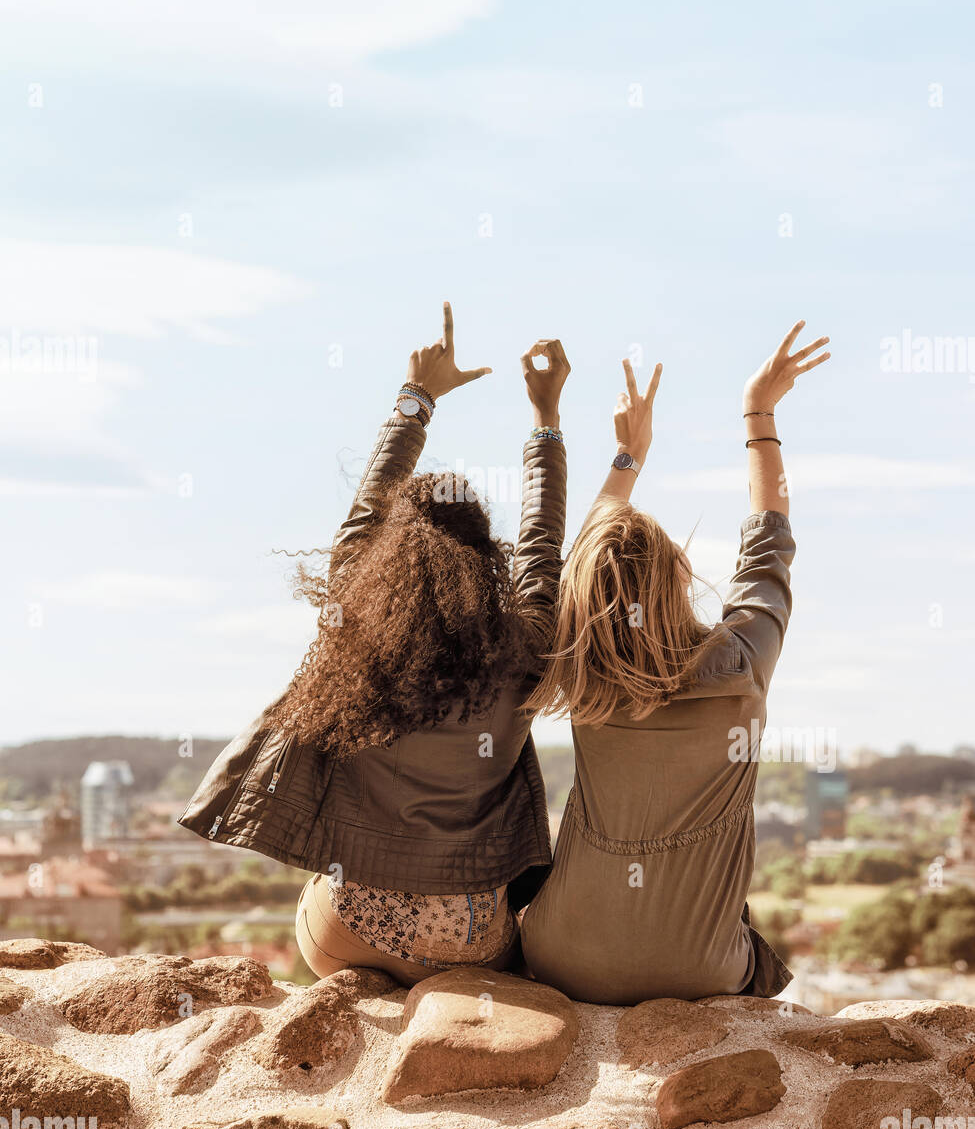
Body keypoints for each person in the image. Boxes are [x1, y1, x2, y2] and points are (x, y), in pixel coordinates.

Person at [180, 304, 571, 986]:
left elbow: (364, 518)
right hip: (471, 946)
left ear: (390, 560)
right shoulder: (525, 647)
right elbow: (542, 545)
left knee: (315, 909)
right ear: (486, 556)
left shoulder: (355, 631)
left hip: (348, 936)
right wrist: (545, 420)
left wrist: (416, 399)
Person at [519, 321, 831, 1004]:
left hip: (558, 955)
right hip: (699, 973)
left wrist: (627, 457)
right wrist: (759, 414)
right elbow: (768, 542)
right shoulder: (740, 661)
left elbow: (587, 568)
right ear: (678, 574)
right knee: (756, 946)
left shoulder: (581, 668)